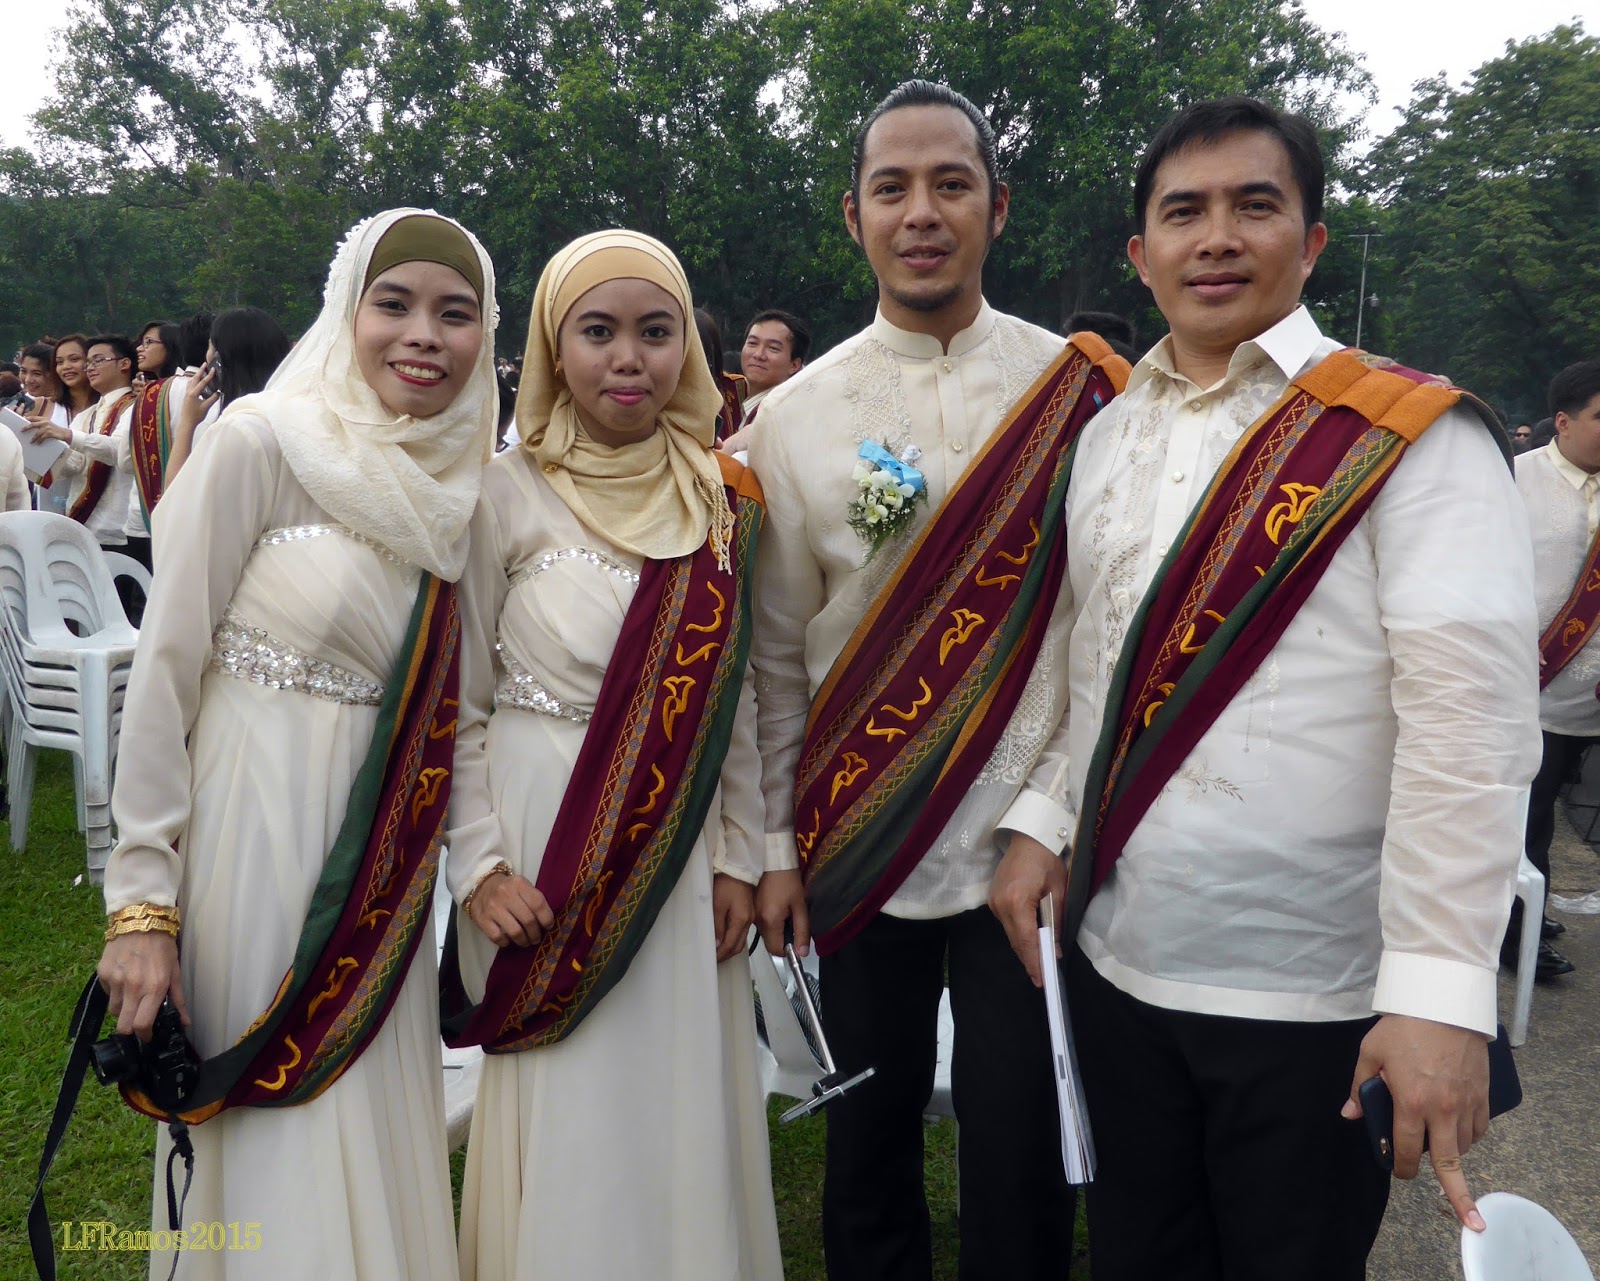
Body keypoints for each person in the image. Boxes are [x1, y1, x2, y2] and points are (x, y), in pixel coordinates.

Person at [1033, 96, 1538, 1281]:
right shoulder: (1109, 438)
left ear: (1309, 242)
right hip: (1117, 962)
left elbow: (1466, 734)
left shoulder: (1411, 439)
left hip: (1310, 995)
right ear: (1139, 252)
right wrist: (1040, 826)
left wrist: (1437, 1000)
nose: (1215, 238)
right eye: (1183, 212)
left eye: (1253, 206)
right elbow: (1089, 664)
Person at [750, 80, 1125, 1281]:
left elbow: (1096, 630)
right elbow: (772, 655)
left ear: (996, 207)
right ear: (851, 215)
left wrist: (1052, 817)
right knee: (866, 1130)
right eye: (892, 187)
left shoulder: (1087, 399)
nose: (922, 212)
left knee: (1018, 1141)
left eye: (950, 184)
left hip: (1028, 843)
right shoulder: (789, 418)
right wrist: (773, 841)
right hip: (855, 827)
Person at [95, 207, 499, 1281]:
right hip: (249, 839)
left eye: (455, 314)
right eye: (395, 303)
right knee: (268, 1128)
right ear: (346, 311)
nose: (424, 335)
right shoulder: (259, 444)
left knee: (370, 1106)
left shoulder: (465, 495)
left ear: (485, 335)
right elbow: (164, 674)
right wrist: (143, 904)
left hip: (387, 858)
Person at [442, 229, 781, 1281]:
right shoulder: (503, 493)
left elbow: (739, 696)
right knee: (570, 1089)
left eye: (654, 331)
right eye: (597, 331)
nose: (626, 358)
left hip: (675, 855)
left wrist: (736, 852)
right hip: (547, 844)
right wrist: (479, 865)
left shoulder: (724, 504)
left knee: (677, 1084)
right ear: (552, 346)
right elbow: (456, 706)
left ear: (688, 347)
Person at [1512, 356, 1600, 980]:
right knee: (1526, 828)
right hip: (1532, 695)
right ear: (1563, 422)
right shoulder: (1513, 481)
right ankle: (1520, 935)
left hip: (1596, 700)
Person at [718, 309, 809, 454]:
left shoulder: (783, 417)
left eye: (773, 348)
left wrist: (732, 444)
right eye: (753, 343)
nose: (759, 354)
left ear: (794, 365)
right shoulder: (734, 399)